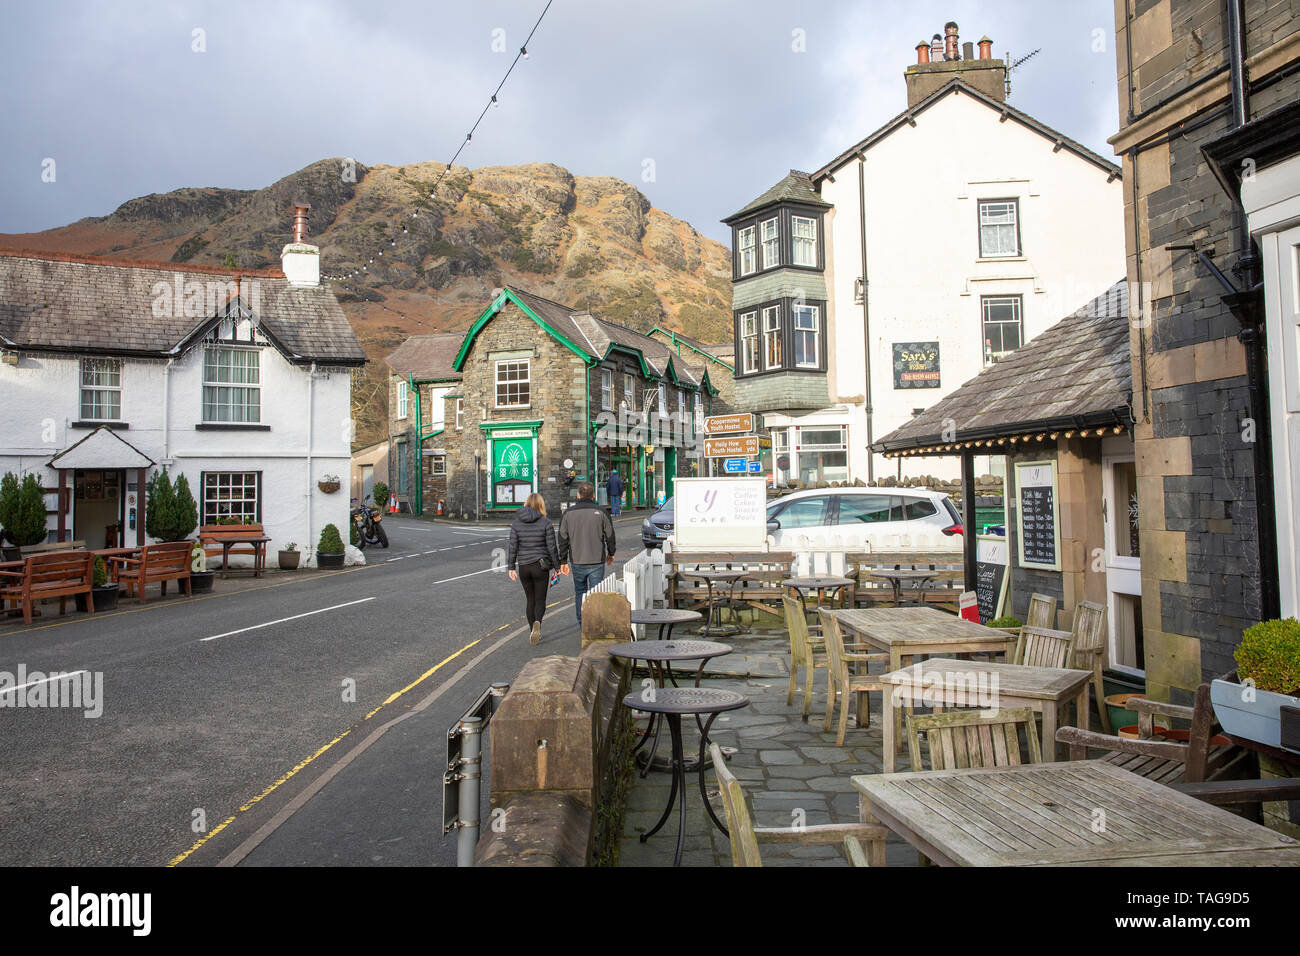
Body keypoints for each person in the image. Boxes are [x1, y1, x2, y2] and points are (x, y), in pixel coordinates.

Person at [558, 482, 616, 628]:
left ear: (578, 495)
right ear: (593, 495)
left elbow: (563, 539)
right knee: (596, 594)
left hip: (577, 560)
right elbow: (610, 535)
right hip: (596, 560)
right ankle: (595, 623)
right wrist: (611, 553)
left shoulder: (568, 514)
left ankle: (582, 624)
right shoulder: (601, 512)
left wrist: (563, 561)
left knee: (580, 592)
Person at [507, 493, 561, 645]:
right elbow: (551, 547)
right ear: (541, 505)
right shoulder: (546, 522)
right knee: (540, 599)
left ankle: (532, 629)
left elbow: (513, 546)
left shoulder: (516, 523)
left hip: (524, 566)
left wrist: (511, 567)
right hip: (540, 566)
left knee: (530, 600)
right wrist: (557, 566)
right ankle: (538, 622)